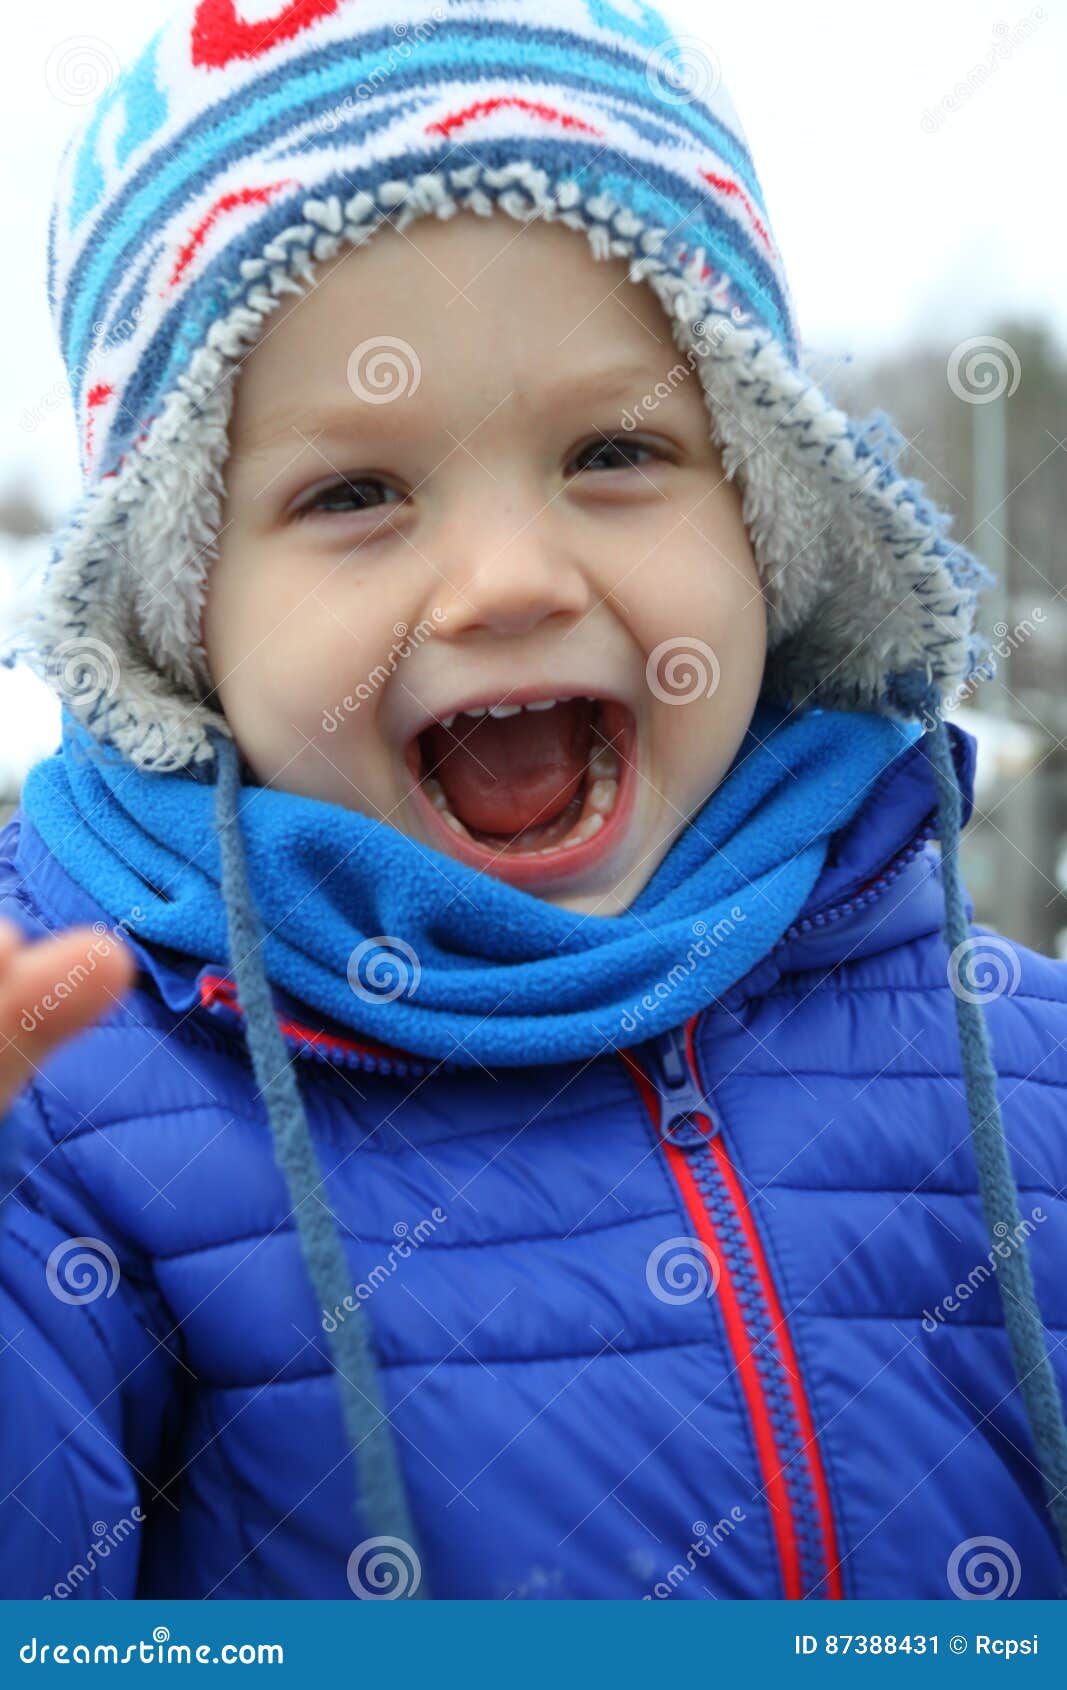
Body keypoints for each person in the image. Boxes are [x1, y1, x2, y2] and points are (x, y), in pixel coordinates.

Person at [0, 0, 1065, 1601]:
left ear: (772, 513)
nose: (507, 579)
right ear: (179, 609)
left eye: (616, 451)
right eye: (354, 491)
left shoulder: (1023, 1077)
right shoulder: (78, 1106)